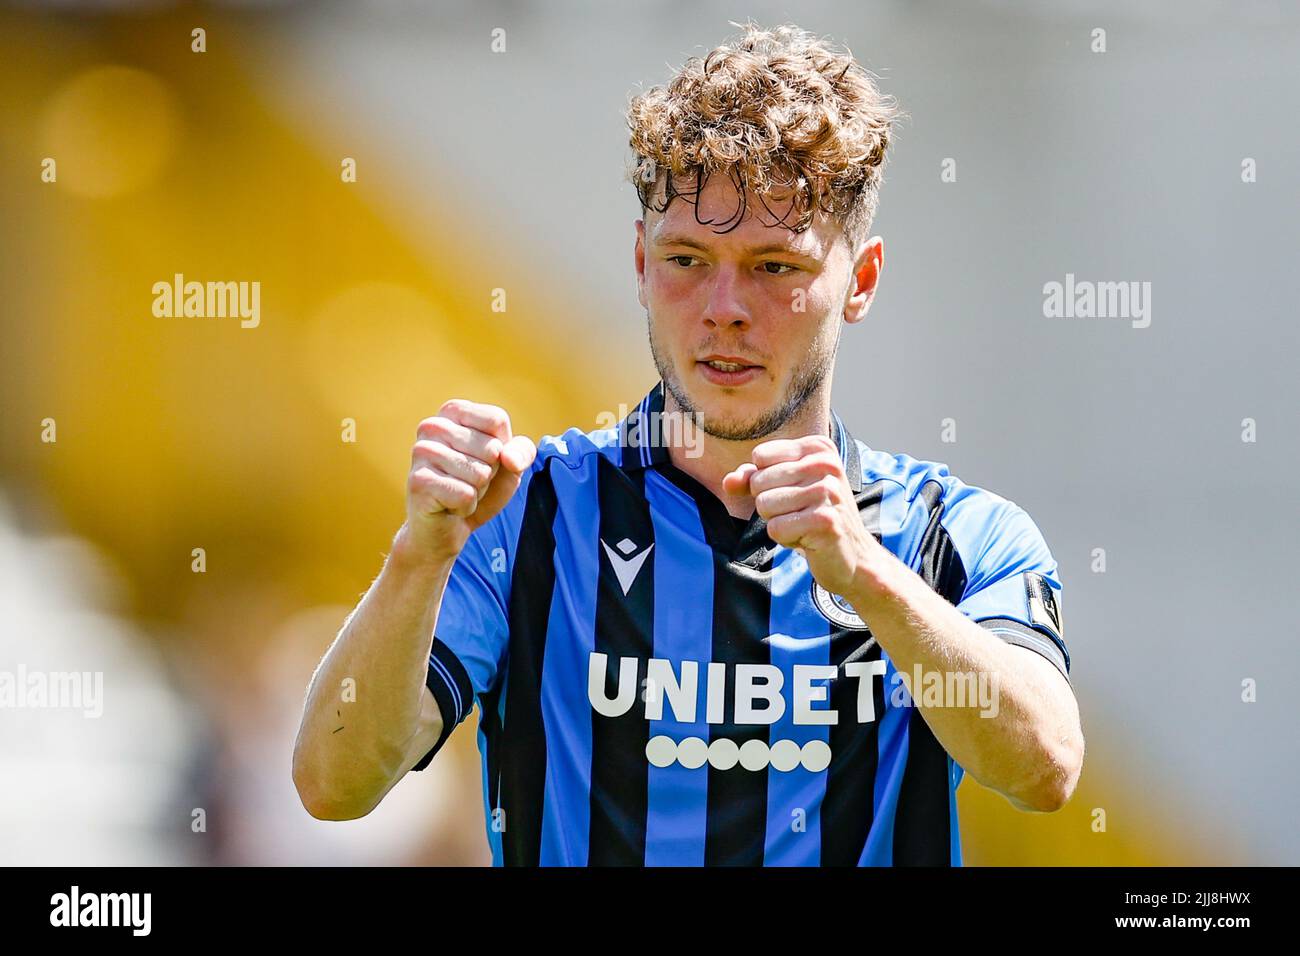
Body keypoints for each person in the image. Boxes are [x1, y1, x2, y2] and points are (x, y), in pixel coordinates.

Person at [293, 21, 1084, 866]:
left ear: (859, 282)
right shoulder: (525, 517)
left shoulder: (955, 536)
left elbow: (1044, 768)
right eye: (687, 259)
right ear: (639, 262)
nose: (724, 308)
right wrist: (420, 556)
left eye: (775, 266)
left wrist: (865, 572)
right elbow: (335, 785)